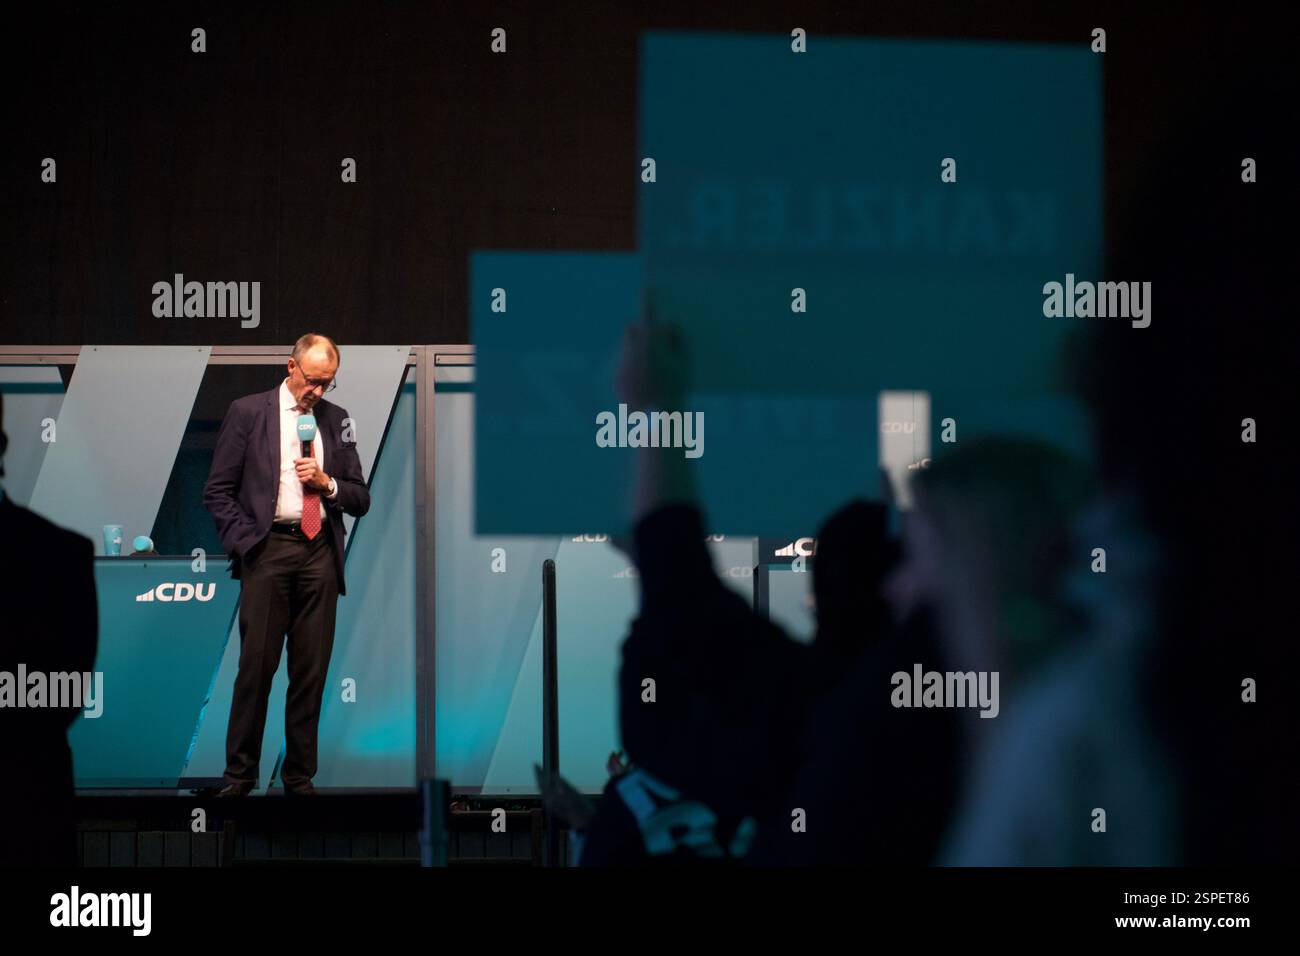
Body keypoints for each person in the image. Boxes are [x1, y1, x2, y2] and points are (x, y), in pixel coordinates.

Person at [202, 333, 370, 797]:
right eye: (313, 380)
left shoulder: (338, 421)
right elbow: (217, 490)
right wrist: (248, 545)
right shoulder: (247, 412)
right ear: (290, 367)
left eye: (327, 383)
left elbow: (360, 497)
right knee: (256, 668)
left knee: (310, 671)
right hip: (268, 550)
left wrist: (327, 482)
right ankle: (240, 777)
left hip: (319, 552)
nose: (317, 391)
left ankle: (299, 777)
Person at [0, 393, 99, 865]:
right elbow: (60, 694)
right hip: (33, 794)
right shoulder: (61, 555)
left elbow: (63, 693)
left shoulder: (61, 557)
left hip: (29, 804)